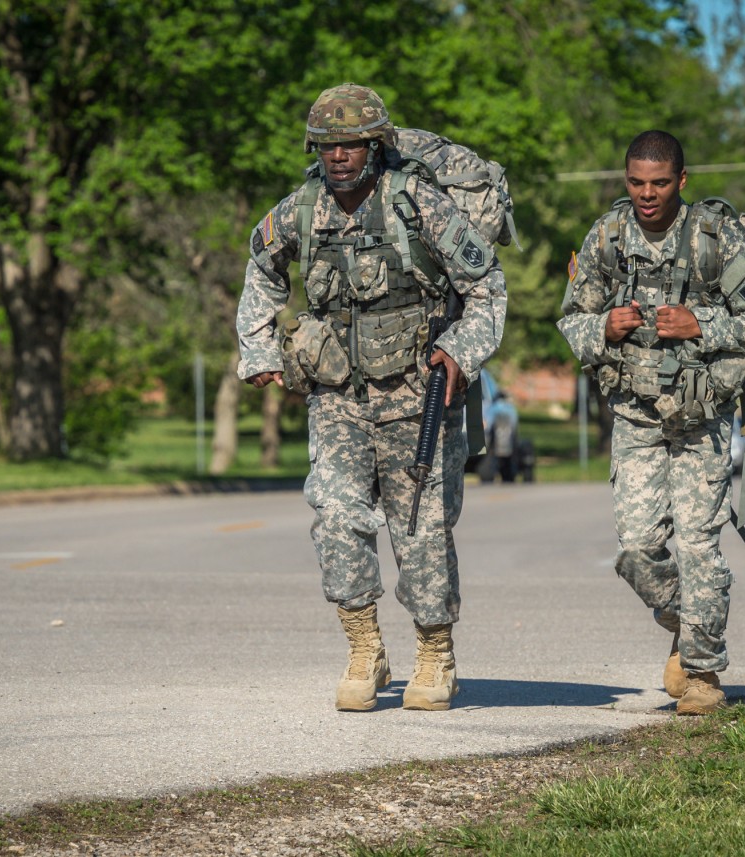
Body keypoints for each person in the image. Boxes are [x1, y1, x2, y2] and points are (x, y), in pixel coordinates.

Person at [236, 84, 507, 712]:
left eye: (352, 145)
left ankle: (435, 654)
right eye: (328, 146)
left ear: (375, 145)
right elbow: (260, 270)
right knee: (334, 514)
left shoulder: (418, 205)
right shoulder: (301, 209)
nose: (339, 157)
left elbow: (487, 285)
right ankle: (364, 648)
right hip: (336, 396)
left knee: (421, 531)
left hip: (420, 395)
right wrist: (256, 351)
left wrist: (460, 352)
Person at [557, 130, 745, 715]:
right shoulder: (607, 238)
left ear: (682, 181)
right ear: (625, 180)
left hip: (702, 417)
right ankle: (689, 623)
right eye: (636, 182)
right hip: (635, 413)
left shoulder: (715, 240)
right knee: (635, 550)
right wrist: (603, 328)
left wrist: (701, 324)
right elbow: (570, 322)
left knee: (698, 544)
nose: (647, 194)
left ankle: (704, 673)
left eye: (659, 183)